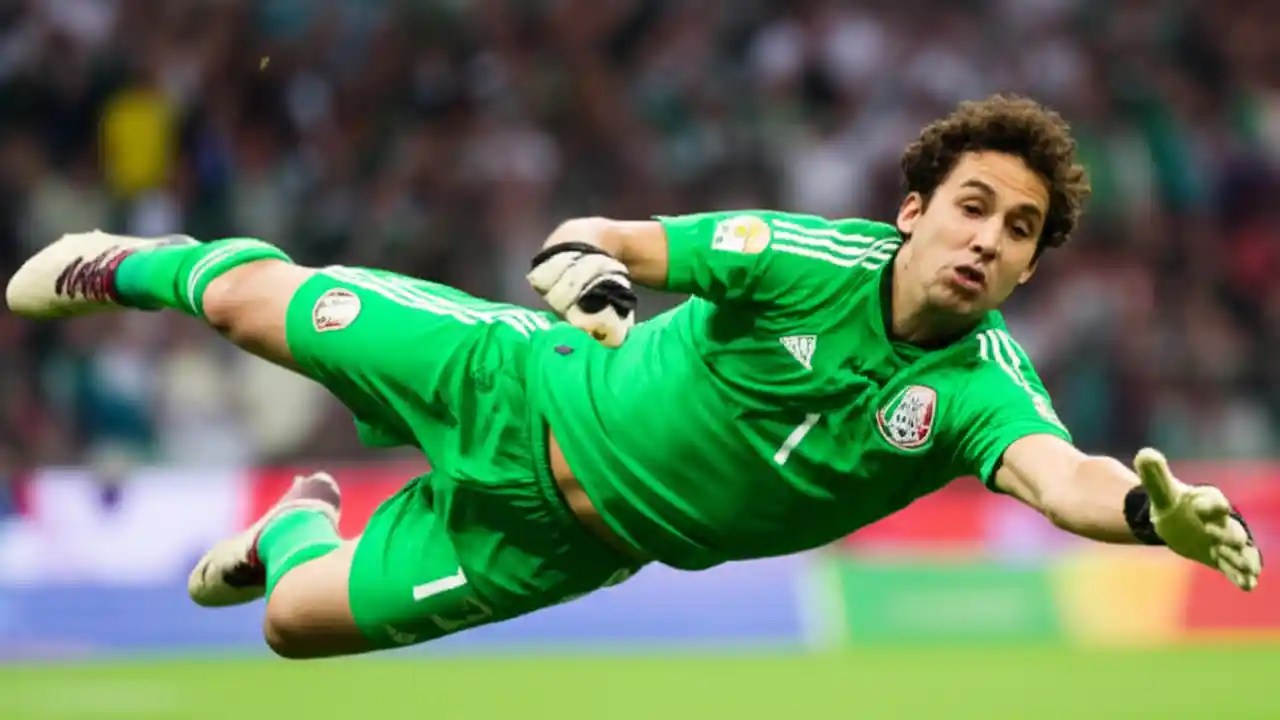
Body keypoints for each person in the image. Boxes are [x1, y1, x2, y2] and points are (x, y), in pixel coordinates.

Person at [5, 94, 1262, 659]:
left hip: (552, 547)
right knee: (248, 304)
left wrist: (1147, 510)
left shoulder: (985, 389)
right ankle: (130, 260)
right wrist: (591, 275)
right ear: (913, 210)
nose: (987, 239)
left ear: (1030, 267)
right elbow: (597, 238)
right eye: (972, 205)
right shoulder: (799, 256)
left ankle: (294, 528)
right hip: (516, 381)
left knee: (292, 626)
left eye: (1018, 230)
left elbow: (1059, 477)